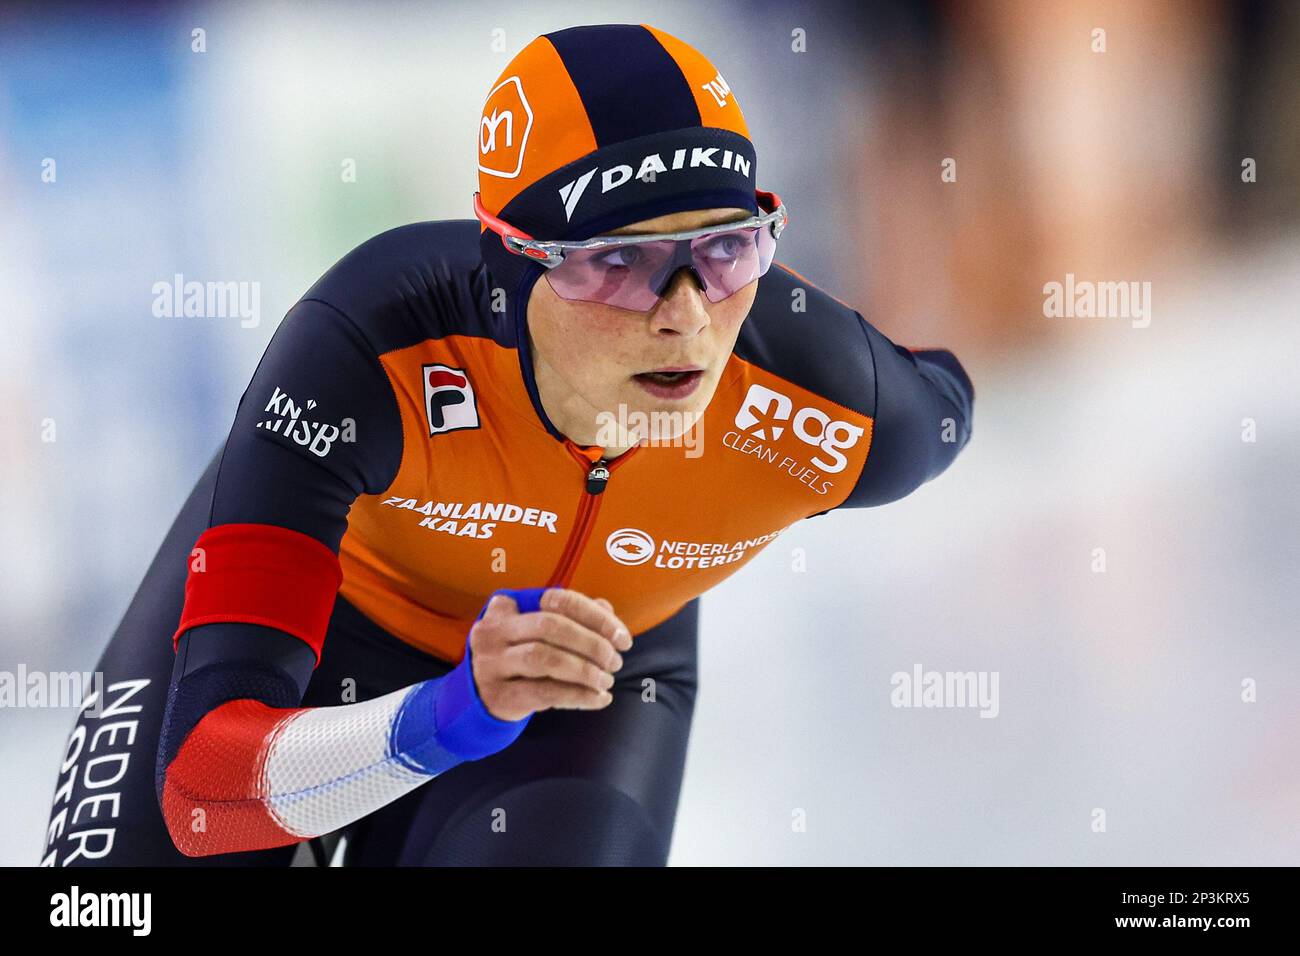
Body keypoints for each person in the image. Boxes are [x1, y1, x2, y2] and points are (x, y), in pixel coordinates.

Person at [41, 22, 974, 867]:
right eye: (621, 262)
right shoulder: (369, 350)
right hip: (328, 627)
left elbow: (946, 400)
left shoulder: (841, 407)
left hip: (584, 668)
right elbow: (204, 793)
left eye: (727, 248)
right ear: (515, 262)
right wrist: (452, 712)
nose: (687, 316)